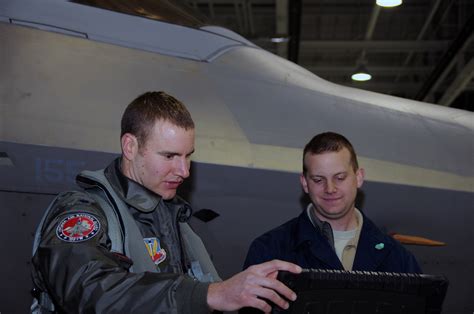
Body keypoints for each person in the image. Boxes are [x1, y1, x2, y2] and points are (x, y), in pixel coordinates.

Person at [31, 91, 301, 314]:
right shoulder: (83, 211)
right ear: (130, 147)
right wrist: (209, 294)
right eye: (170, 156)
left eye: (188, 156)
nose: (184, 171)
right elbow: (87, 290)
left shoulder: (174, 218)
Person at [243, 132, 421, 273]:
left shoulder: (398, 258)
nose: (330, 188)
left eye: (340, 177)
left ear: (358, 178)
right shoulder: (270, 252)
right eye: (319, 180)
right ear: (305, 183)